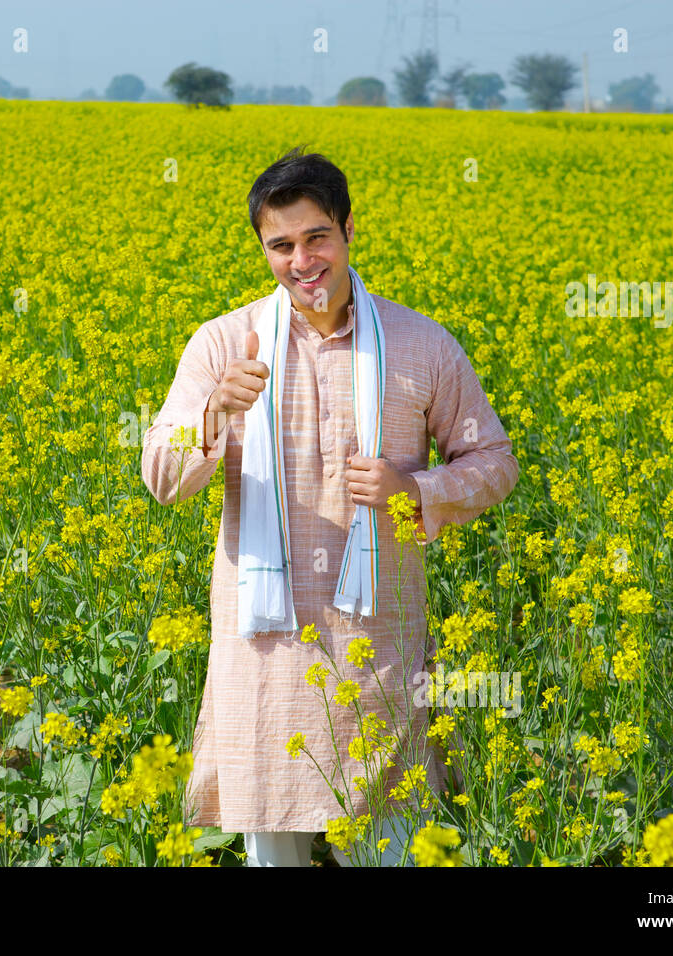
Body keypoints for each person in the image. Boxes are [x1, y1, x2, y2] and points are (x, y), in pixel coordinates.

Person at [140, 146, 519, 866]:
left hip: (378, 653)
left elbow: (495, 463)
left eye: (316, 237)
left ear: (348, 229)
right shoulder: (223, 344)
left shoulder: (420, 345)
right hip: (264, 656)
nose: (301, 260)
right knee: (272, 854)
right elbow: (160, 476)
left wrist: (416, 491)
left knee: (394, 852)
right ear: (262, 249)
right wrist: (215, 413)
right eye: (280, 245)